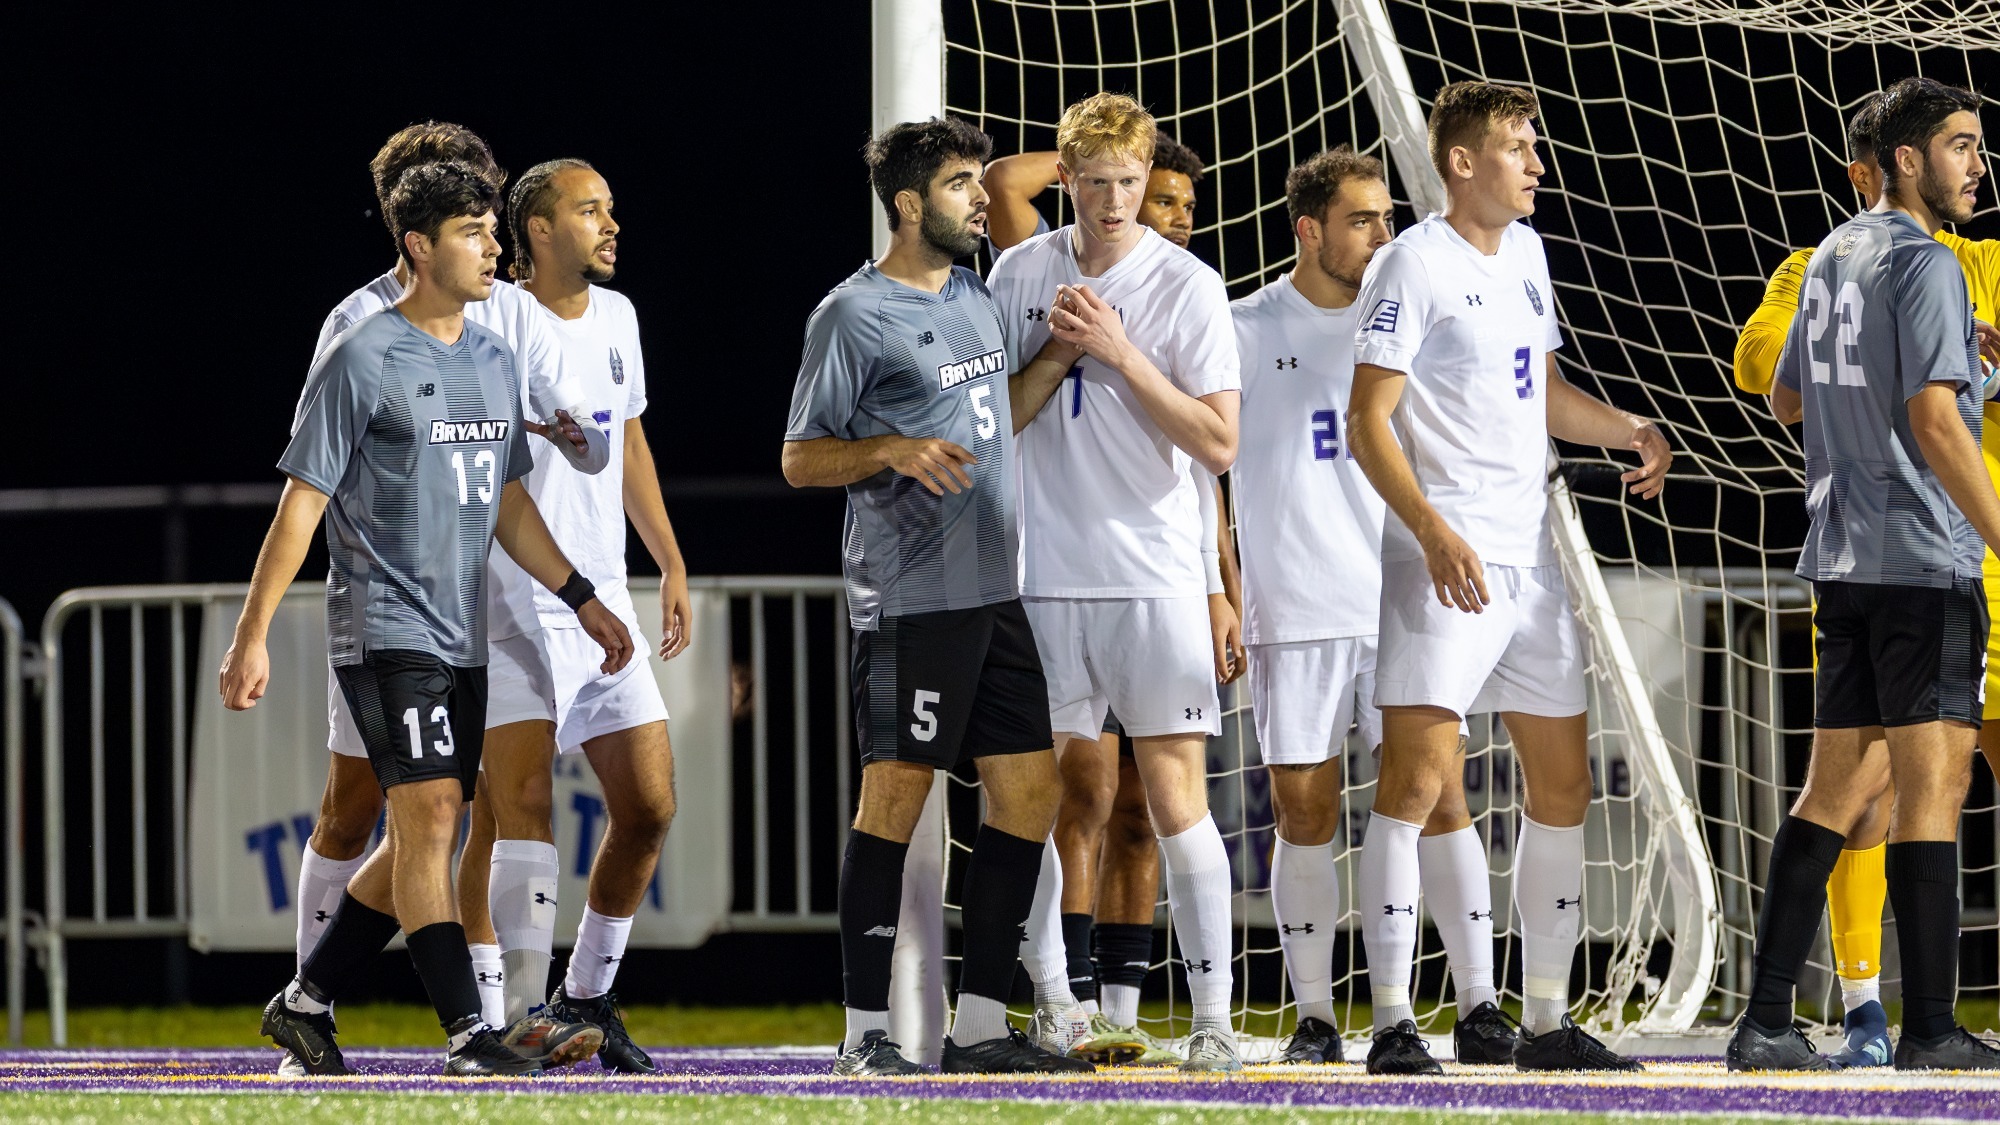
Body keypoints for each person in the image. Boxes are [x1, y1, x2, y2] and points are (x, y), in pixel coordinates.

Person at [227, 162, 634, 1077]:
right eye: (471, 232)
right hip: (383, 626)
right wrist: (252, 635)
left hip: (463, 632)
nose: (494, 247)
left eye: (493, 229)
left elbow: (510, 503)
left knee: (432, 828)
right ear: (418, 245)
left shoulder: (491, 358)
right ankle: (468, 1034)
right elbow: (300, 503)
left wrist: (583, 597)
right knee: (431, 816)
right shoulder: (362, 353)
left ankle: (304, 1001)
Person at [1347, 80, 1670, 1075]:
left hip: (1528, 563)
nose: (1536, 164)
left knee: (1563, 785)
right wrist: (1429, 528)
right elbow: (1367, 420)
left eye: (1534, 147)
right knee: (1412, 785)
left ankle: (1545, 1021)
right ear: (1461, 162)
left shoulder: (1527, 254)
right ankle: (1393, 1022)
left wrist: (1627, 427)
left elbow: (1543, 392)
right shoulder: (1411, 263)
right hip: (1439, 561)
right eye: (1518, 148)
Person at [783, 116, 1092, 1077]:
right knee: (894, 801)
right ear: (910, 204)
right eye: (962, 184)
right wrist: (891, 448)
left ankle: (981, 1026)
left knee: (1032, 795)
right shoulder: (852, 314)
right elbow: (799, 458)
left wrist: (1061, 356)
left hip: (996, 594)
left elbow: (1002, 409)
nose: (981, 199)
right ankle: (863, 1034)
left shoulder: (974, 295)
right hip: (911, 601)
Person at [1731, 76, 2000, 1073]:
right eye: (1961, 145)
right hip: (1922, 560)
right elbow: (1933, 422)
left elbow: (1787, 400)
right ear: (1905, 159)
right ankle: (1929, 1029)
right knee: (1933, 793)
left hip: (1840, 560)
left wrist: (1973, 369)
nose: (1977, 166)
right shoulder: (1928, 261)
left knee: (1829, 794)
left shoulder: (1832, 254)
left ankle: (1764, 1023)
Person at [1232, 144, 1517, 1067]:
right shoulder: (1244, 327)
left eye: (1387, 217)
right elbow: (1199, 467)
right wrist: (1220, 587)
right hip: (1298, 605)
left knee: (1441, 800)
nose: (1381, 235)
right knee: (1304, 814)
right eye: (1361, 220)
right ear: (1309, 230)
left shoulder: (1414, 315)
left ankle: (1479, 1005)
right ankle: (1317, 1018)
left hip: (1402, 594)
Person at [989, 91, 1244, 1072]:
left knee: (1176, 797)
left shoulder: (1186, 284)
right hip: (1042, 578)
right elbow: (990, 424)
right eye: (1094, 182)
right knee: (1042, 799)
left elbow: (1218, 442)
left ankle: (1212, 1020)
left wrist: (1119, 351)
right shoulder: (1017, 272)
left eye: (1129, 183)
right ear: (1064, 178)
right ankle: (1059, 1005)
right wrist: (1057, 354)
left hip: (1155, 579)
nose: (1112, 202)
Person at [505, 158, 692, 1075]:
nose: (612, 224)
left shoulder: (618, 317)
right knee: (511, 818)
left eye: (610, 208)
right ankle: (502, 1018)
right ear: (539, 230)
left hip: (605, 599)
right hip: (522, 603)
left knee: (649, 805)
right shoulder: (501, 321)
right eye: (589, 210)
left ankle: (583, 995)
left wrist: (670, 557)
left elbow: (629, 441)